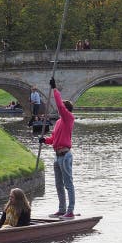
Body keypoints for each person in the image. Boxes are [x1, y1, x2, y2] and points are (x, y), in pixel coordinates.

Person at [39, 77, 76, 218]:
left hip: (66, 156)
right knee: (58, 185)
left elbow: (60, 106)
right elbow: (54, 139)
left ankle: (70, 211)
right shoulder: (59, 122)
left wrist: (55, 89)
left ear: (66, 110)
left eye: (62, 109)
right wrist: (44, 140)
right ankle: (62, 209)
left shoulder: (69, 118)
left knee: (68, 184)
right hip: (57, 156)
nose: (60, 110)